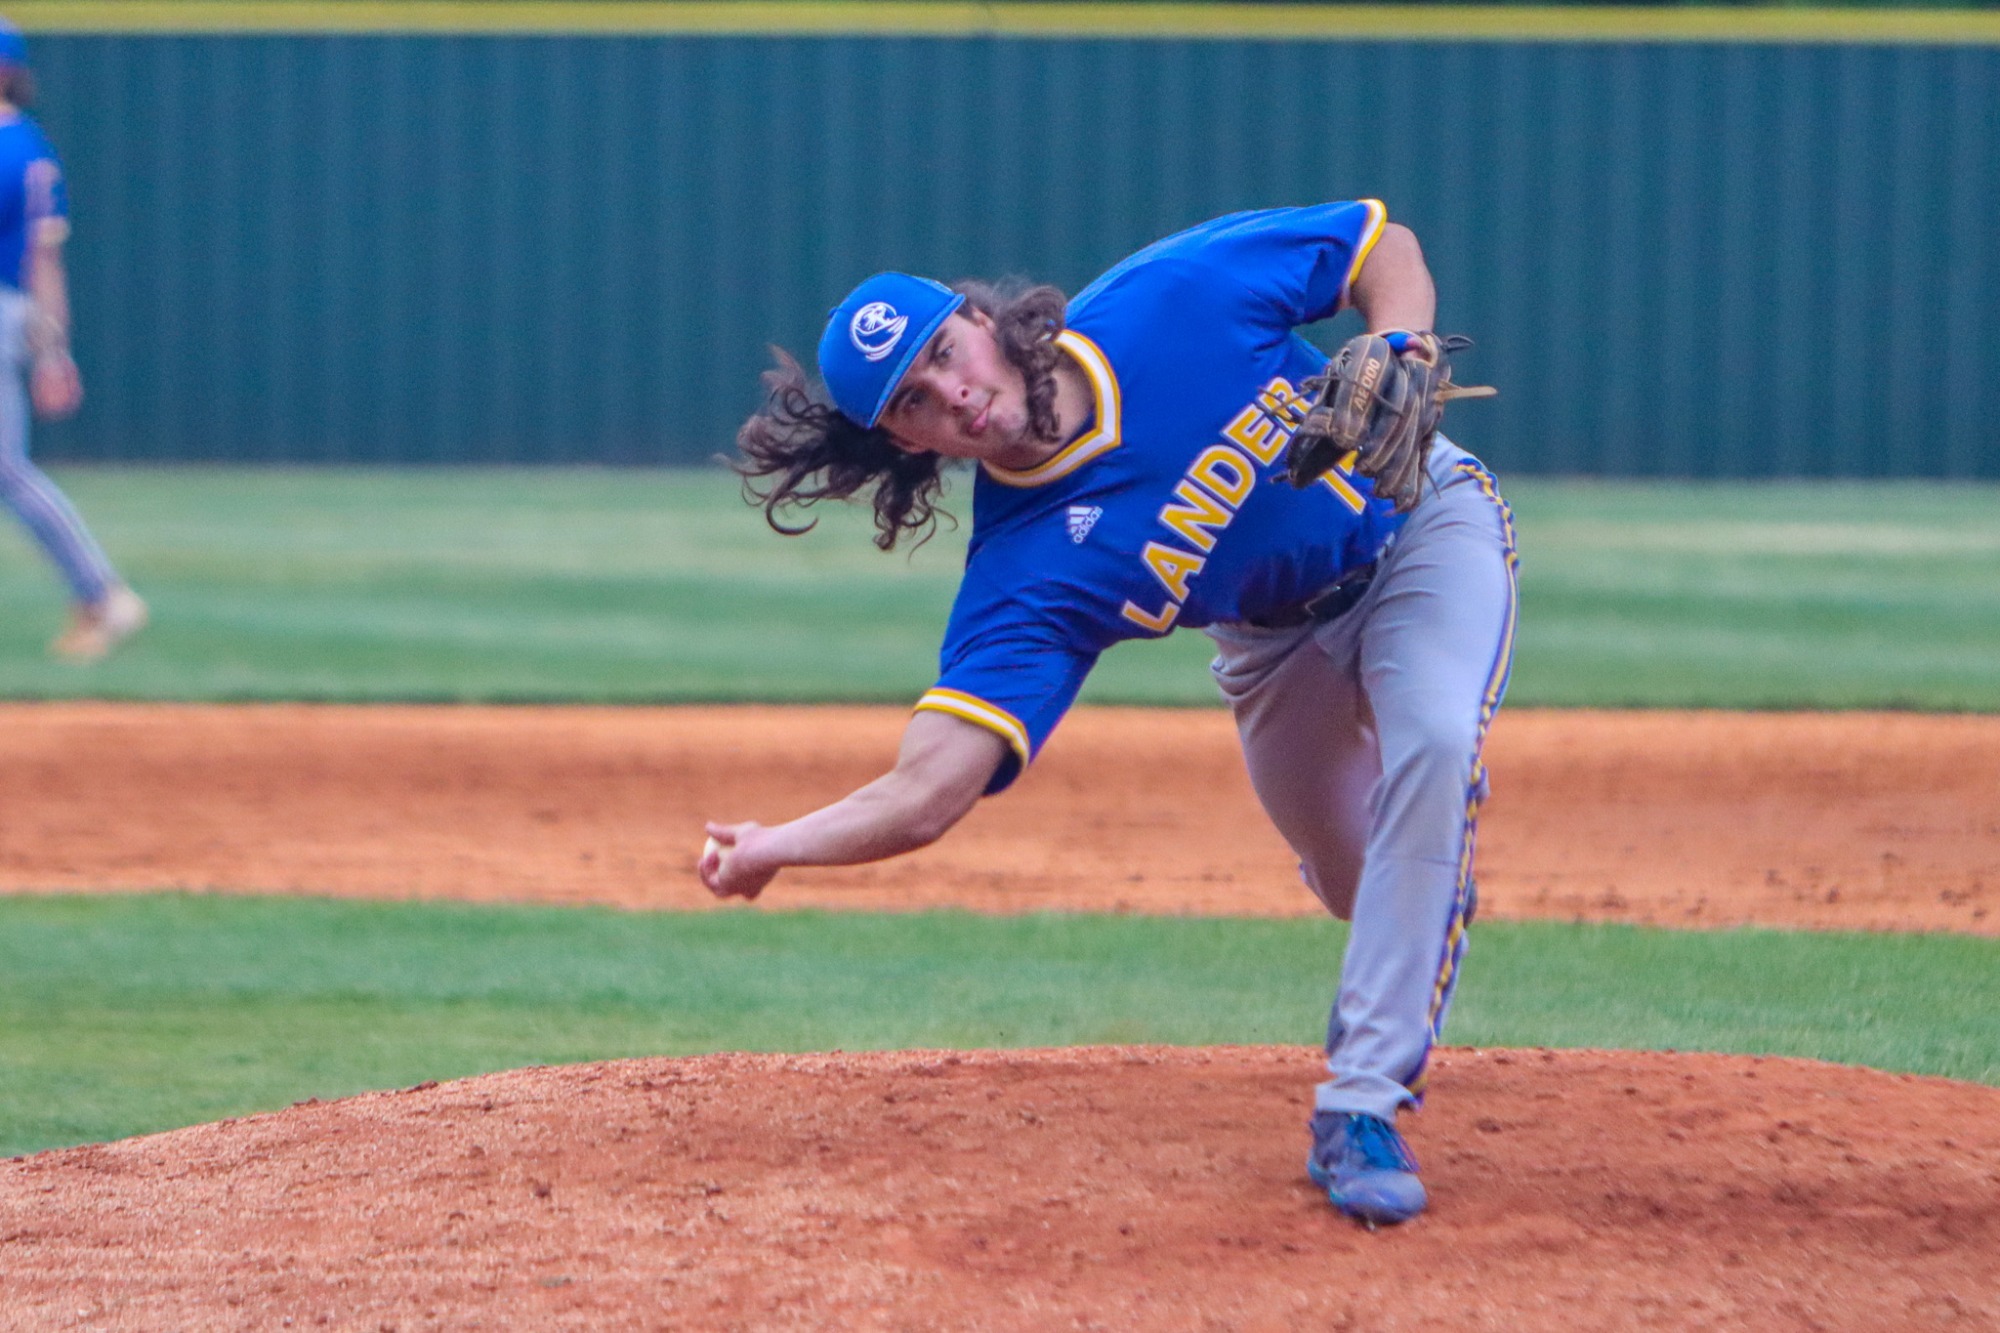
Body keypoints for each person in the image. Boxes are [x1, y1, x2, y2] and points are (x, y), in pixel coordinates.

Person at [703, 200, 1518, 1227]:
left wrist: (1391, 338)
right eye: (913, 402)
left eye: (946, 353)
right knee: (1376, 877)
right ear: (901, 442)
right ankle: (1413, 876)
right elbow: (928, 788)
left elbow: (1377, 242)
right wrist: (777, 843)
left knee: (1435, 745)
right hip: (1271, 649)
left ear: (981, 319)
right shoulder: (1025, 570)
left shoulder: (1169, 297)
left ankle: (1357, 1106)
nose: (954, 395)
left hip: (1420, 533)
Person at [0, 21, 144, 662]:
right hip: (15, 313)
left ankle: (102, 593)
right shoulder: (33, 147)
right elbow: (47, 265)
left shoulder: (18, 151)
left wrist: (54, 353)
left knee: (8, 471)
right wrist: (53, 350)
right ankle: (100, 593)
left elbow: (43, 262)